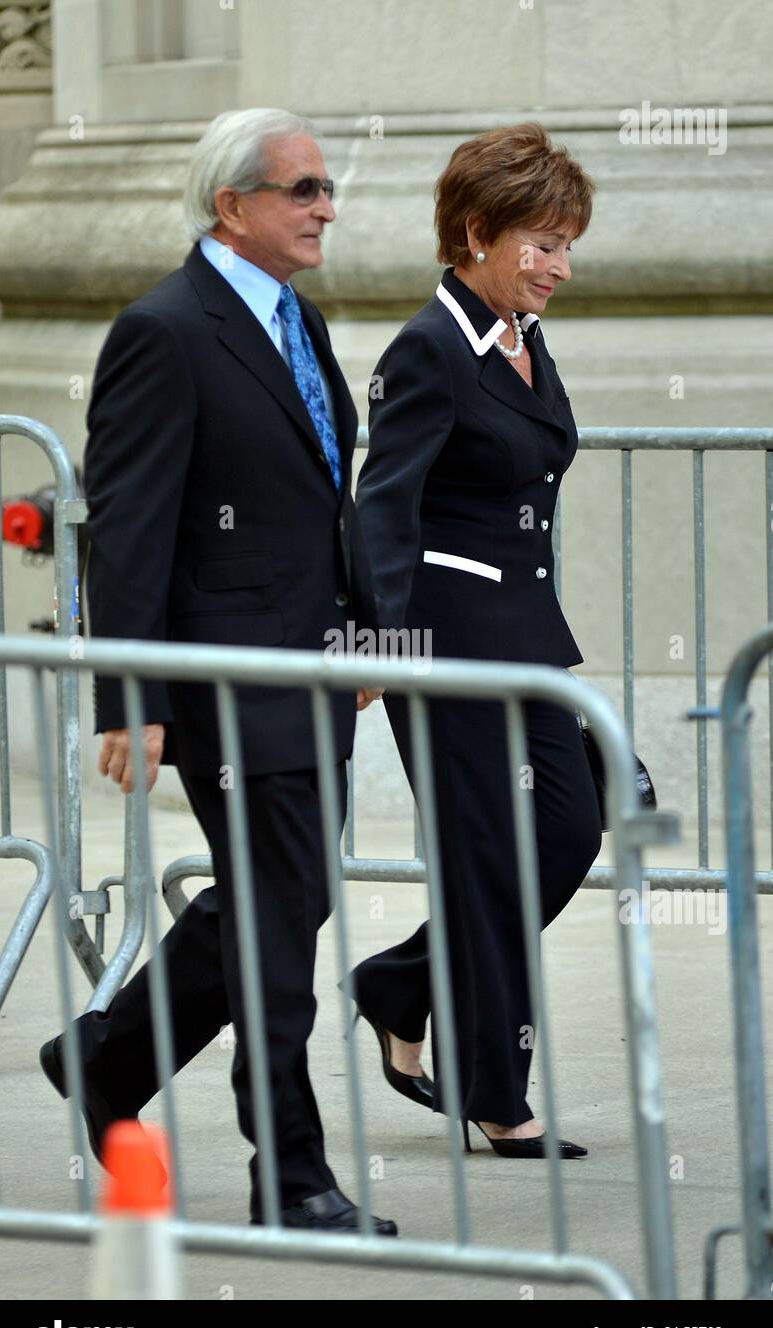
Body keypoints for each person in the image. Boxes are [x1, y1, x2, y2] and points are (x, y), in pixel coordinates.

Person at [40, 108, 394, 1235]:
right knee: (280, 926)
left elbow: (329, 498)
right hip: (223, 684)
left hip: (315, 670)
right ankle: (289, 1173)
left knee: (281, 901)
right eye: (302, 189)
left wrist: (369, 636)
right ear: (232, 205)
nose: (324, 207)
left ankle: (105, 1060)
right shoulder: (164, 330)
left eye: (327, 187)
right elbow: (130, 529)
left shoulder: (302, 319)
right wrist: (132, 699)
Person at [345, 123, 602, 1159]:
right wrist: (380, 640)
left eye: (566, 244)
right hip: (443, 645)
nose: (559, 267)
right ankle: (498, 1094)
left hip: (527, 640)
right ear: (475, 233)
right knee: (488, 851)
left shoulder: (520, 337)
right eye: (541, 243)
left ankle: (401, 980)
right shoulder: (429, 345)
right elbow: (384, 503)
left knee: (571, 826)